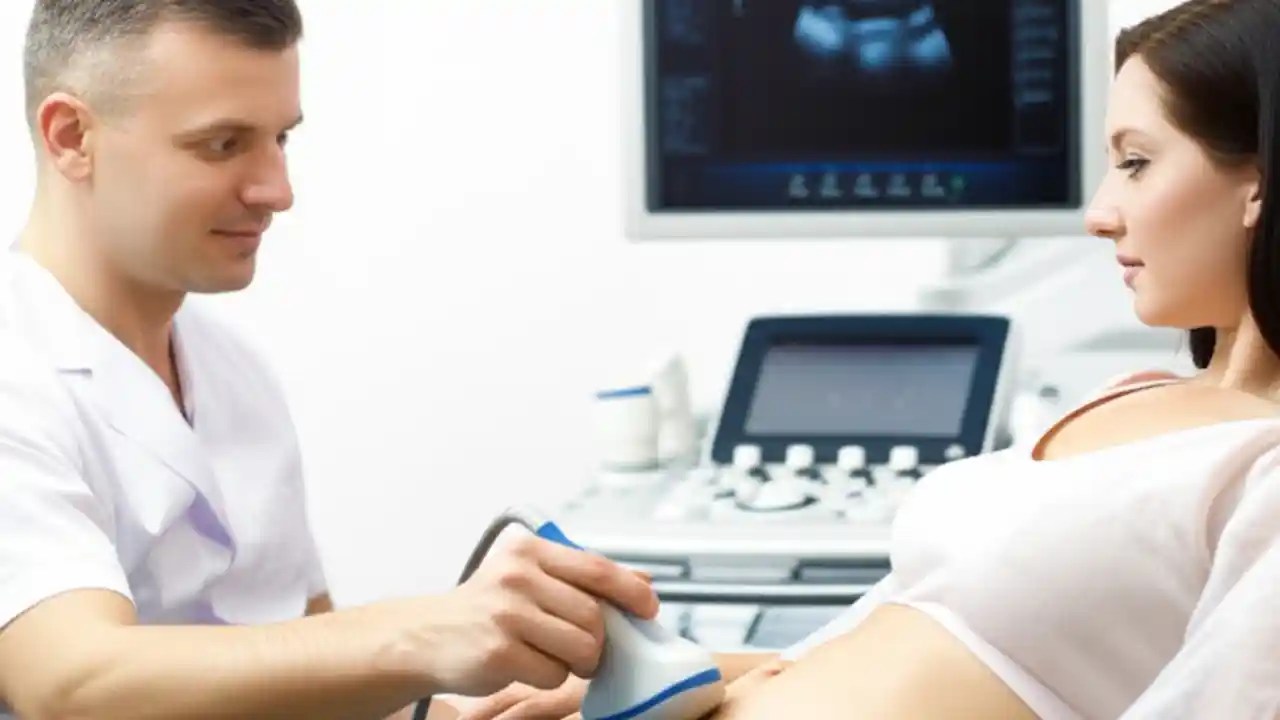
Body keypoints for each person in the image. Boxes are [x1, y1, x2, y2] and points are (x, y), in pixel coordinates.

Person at [458, 0, 1280, 717]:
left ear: (1260, 183)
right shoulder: (1124, 398)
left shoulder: (1266, 467)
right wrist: (654, 690)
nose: (1100, 214)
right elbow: (874, 640)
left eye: (1136, 162)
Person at [0, 2, 659, 719]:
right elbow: (71, 684)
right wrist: (425, 634)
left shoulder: (231, 369)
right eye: (222, 145)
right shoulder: (17, 371)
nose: (277, 191)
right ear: (71, 137)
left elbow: (306, 655)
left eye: (280, 138)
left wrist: (441, 713)